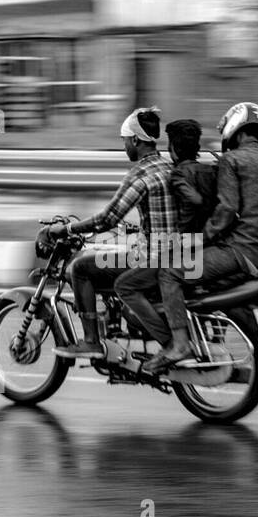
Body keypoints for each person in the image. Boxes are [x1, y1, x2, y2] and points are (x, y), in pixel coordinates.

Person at [142, 102, 258, 376]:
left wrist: (198, 239)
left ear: (235, 129)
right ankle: (213, 337)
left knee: (170, 272)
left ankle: (179, 345)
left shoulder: (232, 161)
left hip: (242, 253)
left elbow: (227, 210)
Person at [47, 107, 178, 359]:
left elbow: (107, 218)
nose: (124, 146)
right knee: (113, 255)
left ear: (136, 140)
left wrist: (67, 228)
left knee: (82, 267)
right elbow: (161, 215)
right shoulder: (168, 166)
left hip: (152, 257)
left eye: (125, 141)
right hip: (175, 252)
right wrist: (138, 228)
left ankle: (91, 341)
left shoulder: (140, 174)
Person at [115, 119, 217, 358]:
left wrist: (199, 203)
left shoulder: (178, 173)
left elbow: (193, 202)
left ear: (173, 148)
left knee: (126, 284)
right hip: (207, 243)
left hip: (182, 246)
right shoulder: (209, 169)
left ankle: (173, 344)